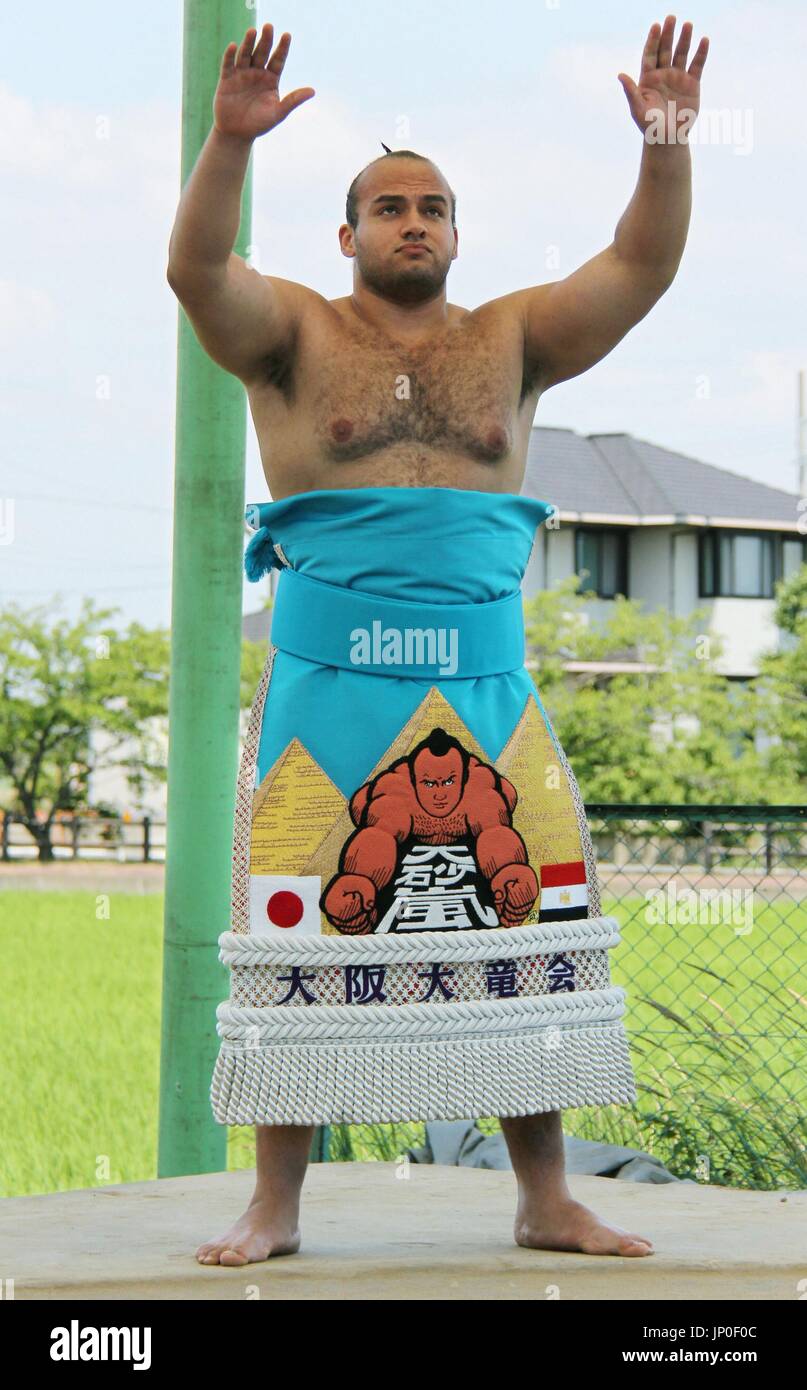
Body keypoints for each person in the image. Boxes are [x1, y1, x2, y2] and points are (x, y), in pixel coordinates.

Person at [166, 17, 709, 1267]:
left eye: (435, 207)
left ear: (457, 233)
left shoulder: (512, 338)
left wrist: (670, 142)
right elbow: (199, 273)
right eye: (388, 206)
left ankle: (544, 1196)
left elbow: (640, 265)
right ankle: (276, 1205)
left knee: (518, 922)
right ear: (346, 235)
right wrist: (229, 143)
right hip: (325, 678)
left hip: (485, 676)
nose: (414, 222)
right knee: (297, 925)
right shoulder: (293, 333)